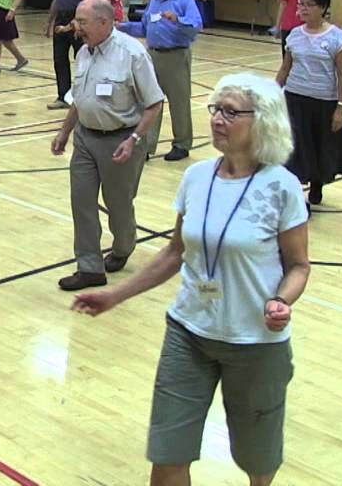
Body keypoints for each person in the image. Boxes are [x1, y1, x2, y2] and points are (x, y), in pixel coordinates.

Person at [72, 72, 310, 486]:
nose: (218, 119)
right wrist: (116, 295)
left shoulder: (282, 188)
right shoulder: (196, 178)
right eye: (216, 108)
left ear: (263, 120)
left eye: (231, 112)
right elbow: (174, 253)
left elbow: (299, 266)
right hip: (188, 331)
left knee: (257, 457)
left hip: (254, 342)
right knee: (168, 453)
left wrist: (282, 301)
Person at [50, 0, 164, 291]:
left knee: (118, 204)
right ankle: (89, 267)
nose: (77, 27)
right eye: (77, 21)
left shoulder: (132, 54)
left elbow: (154, 103)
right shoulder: (85, 52)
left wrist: (135, 140)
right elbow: (80, 97)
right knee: (82, 201)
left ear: (104, 22)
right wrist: (64, 133)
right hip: (85, 138)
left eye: (82, 22)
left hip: (121, 139)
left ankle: (124, 246)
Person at [275, 0, 342, 206]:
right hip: (294, 98)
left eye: (309, 5)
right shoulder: (294, 35)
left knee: (319, 146)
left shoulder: (336, 38)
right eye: (301, 4)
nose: (303, 9)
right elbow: (285, 69)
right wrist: (271, 94)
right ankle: (292, 190)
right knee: (294, 147)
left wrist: (340, 107)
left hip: (323, 102)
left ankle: (317, 184)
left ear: (322, 8)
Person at [117, 0, 202, 162]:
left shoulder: (184, 0)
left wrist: (178, 20)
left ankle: (181, 144)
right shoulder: (154, 0)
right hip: (152, 55)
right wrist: (123, 27)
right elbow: (144, 29)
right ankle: (146, 146)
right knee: (150, 101)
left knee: (178, 103)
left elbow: (196, 25)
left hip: (175, 56)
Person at [47, 0, 87, 109]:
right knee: (59, 58)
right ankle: (63, 96)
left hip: (77, 18)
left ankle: (82, 97)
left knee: (81, 59)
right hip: (61, 18)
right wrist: (49, 21)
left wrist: (78, 21)